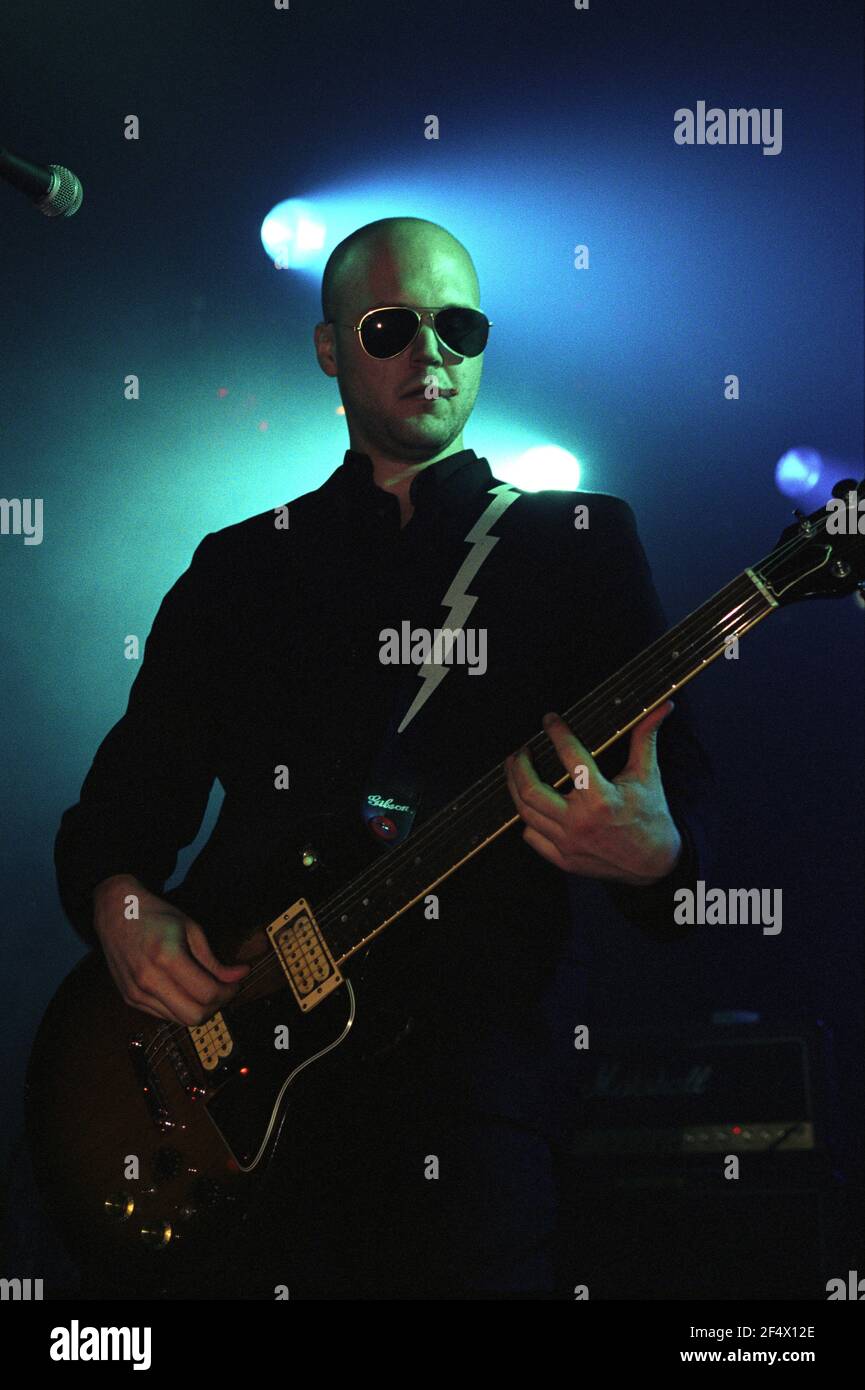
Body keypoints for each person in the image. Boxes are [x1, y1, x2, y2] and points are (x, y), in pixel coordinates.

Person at [54, 216, 714, 1299]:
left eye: (458, 324)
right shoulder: (237, 571)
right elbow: (121, 807)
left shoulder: (575, 542)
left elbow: (675, 793)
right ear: (329, 350)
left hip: (471, 1098)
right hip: (237, 1088)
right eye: (390, 325)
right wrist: (122, 902)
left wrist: (657, 855)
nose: (431, 351)